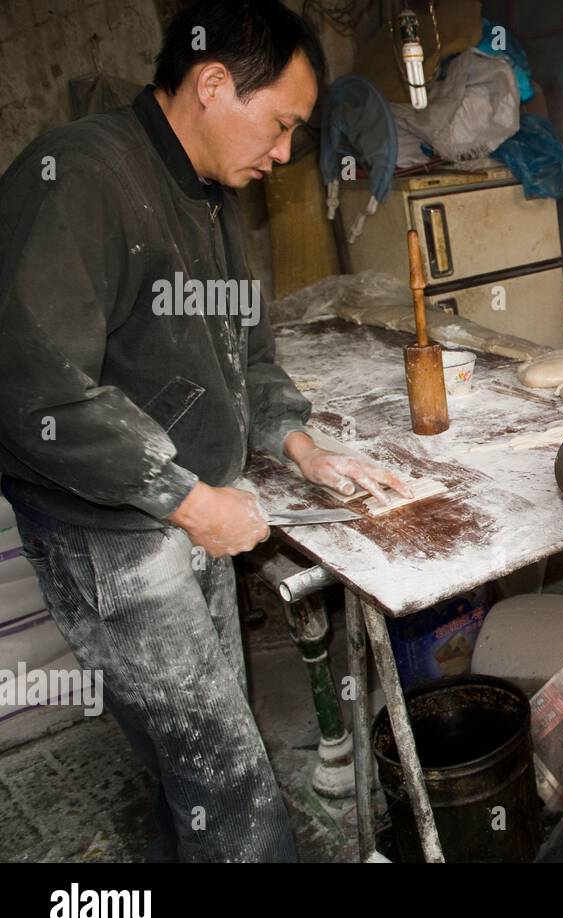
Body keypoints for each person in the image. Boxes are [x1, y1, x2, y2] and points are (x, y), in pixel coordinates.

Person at [0, 0, 408, 861]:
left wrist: (299, 442)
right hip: (111, 532)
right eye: (283, 124)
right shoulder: (77, 177)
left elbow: (246, 352)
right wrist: (186, 500)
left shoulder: (216, 194)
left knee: (202, 759)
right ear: (214, 84)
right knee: (229, 777)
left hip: (198, 508)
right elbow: (29, 383)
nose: (286, 152)